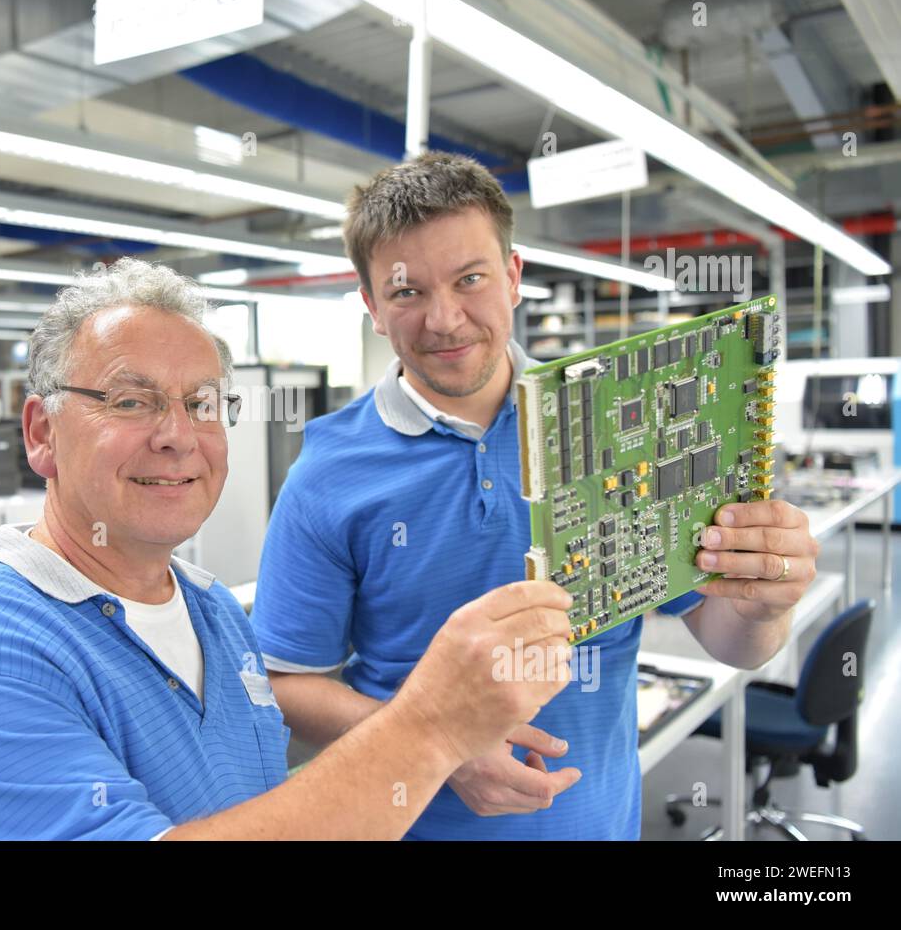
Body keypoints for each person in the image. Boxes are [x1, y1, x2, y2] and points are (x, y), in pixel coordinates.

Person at [0, 257, 573, 839]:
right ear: (42, 433)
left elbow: (269, 803)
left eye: (202, 403)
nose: (177, 435)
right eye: (132, 401)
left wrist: (448, 748)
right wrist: (430, 726)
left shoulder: (215, 612)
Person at [251, 152, 821, 840]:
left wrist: (765, 604)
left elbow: (732, 640)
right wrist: (437, 745)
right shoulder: (327, 472)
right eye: (407, 293)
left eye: (470, 279)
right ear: (372, 306)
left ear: (514, 278)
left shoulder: (618, 420)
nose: (445, 320)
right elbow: (285, 683)